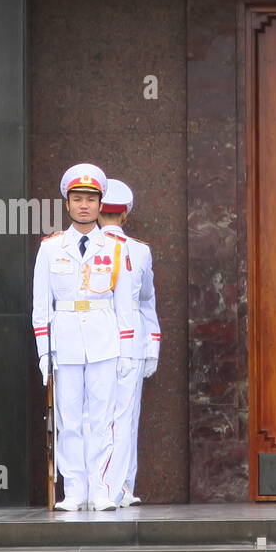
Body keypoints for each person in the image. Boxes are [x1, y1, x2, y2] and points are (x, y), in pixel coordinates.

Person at [32, 163, 133, 511]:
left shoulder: (117, 248)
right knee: (68, 419)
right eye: (77, 199)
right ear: (67, 204)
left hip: (105, 339)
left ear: (101, 203)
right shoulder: (50, 248)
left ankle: (102, 489)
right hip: (65, 340)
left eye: (91, 199)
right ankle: (74, 490)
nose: (84, 205)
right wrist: (45, 353)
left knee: (103, 419)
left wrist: (126, 351)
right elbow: (41, 305)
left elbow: (125, 305)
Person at [98, 179, 159, 506]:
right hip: (131, 341)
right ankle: (120, 487)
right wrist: (153, 345)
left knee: (94, 417)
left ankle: (101, 486)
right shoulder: (140, 251)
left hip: (94, 340)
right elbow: (147, 300)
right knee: (125, 417)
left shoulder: (84, 246)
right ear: (125, 215)